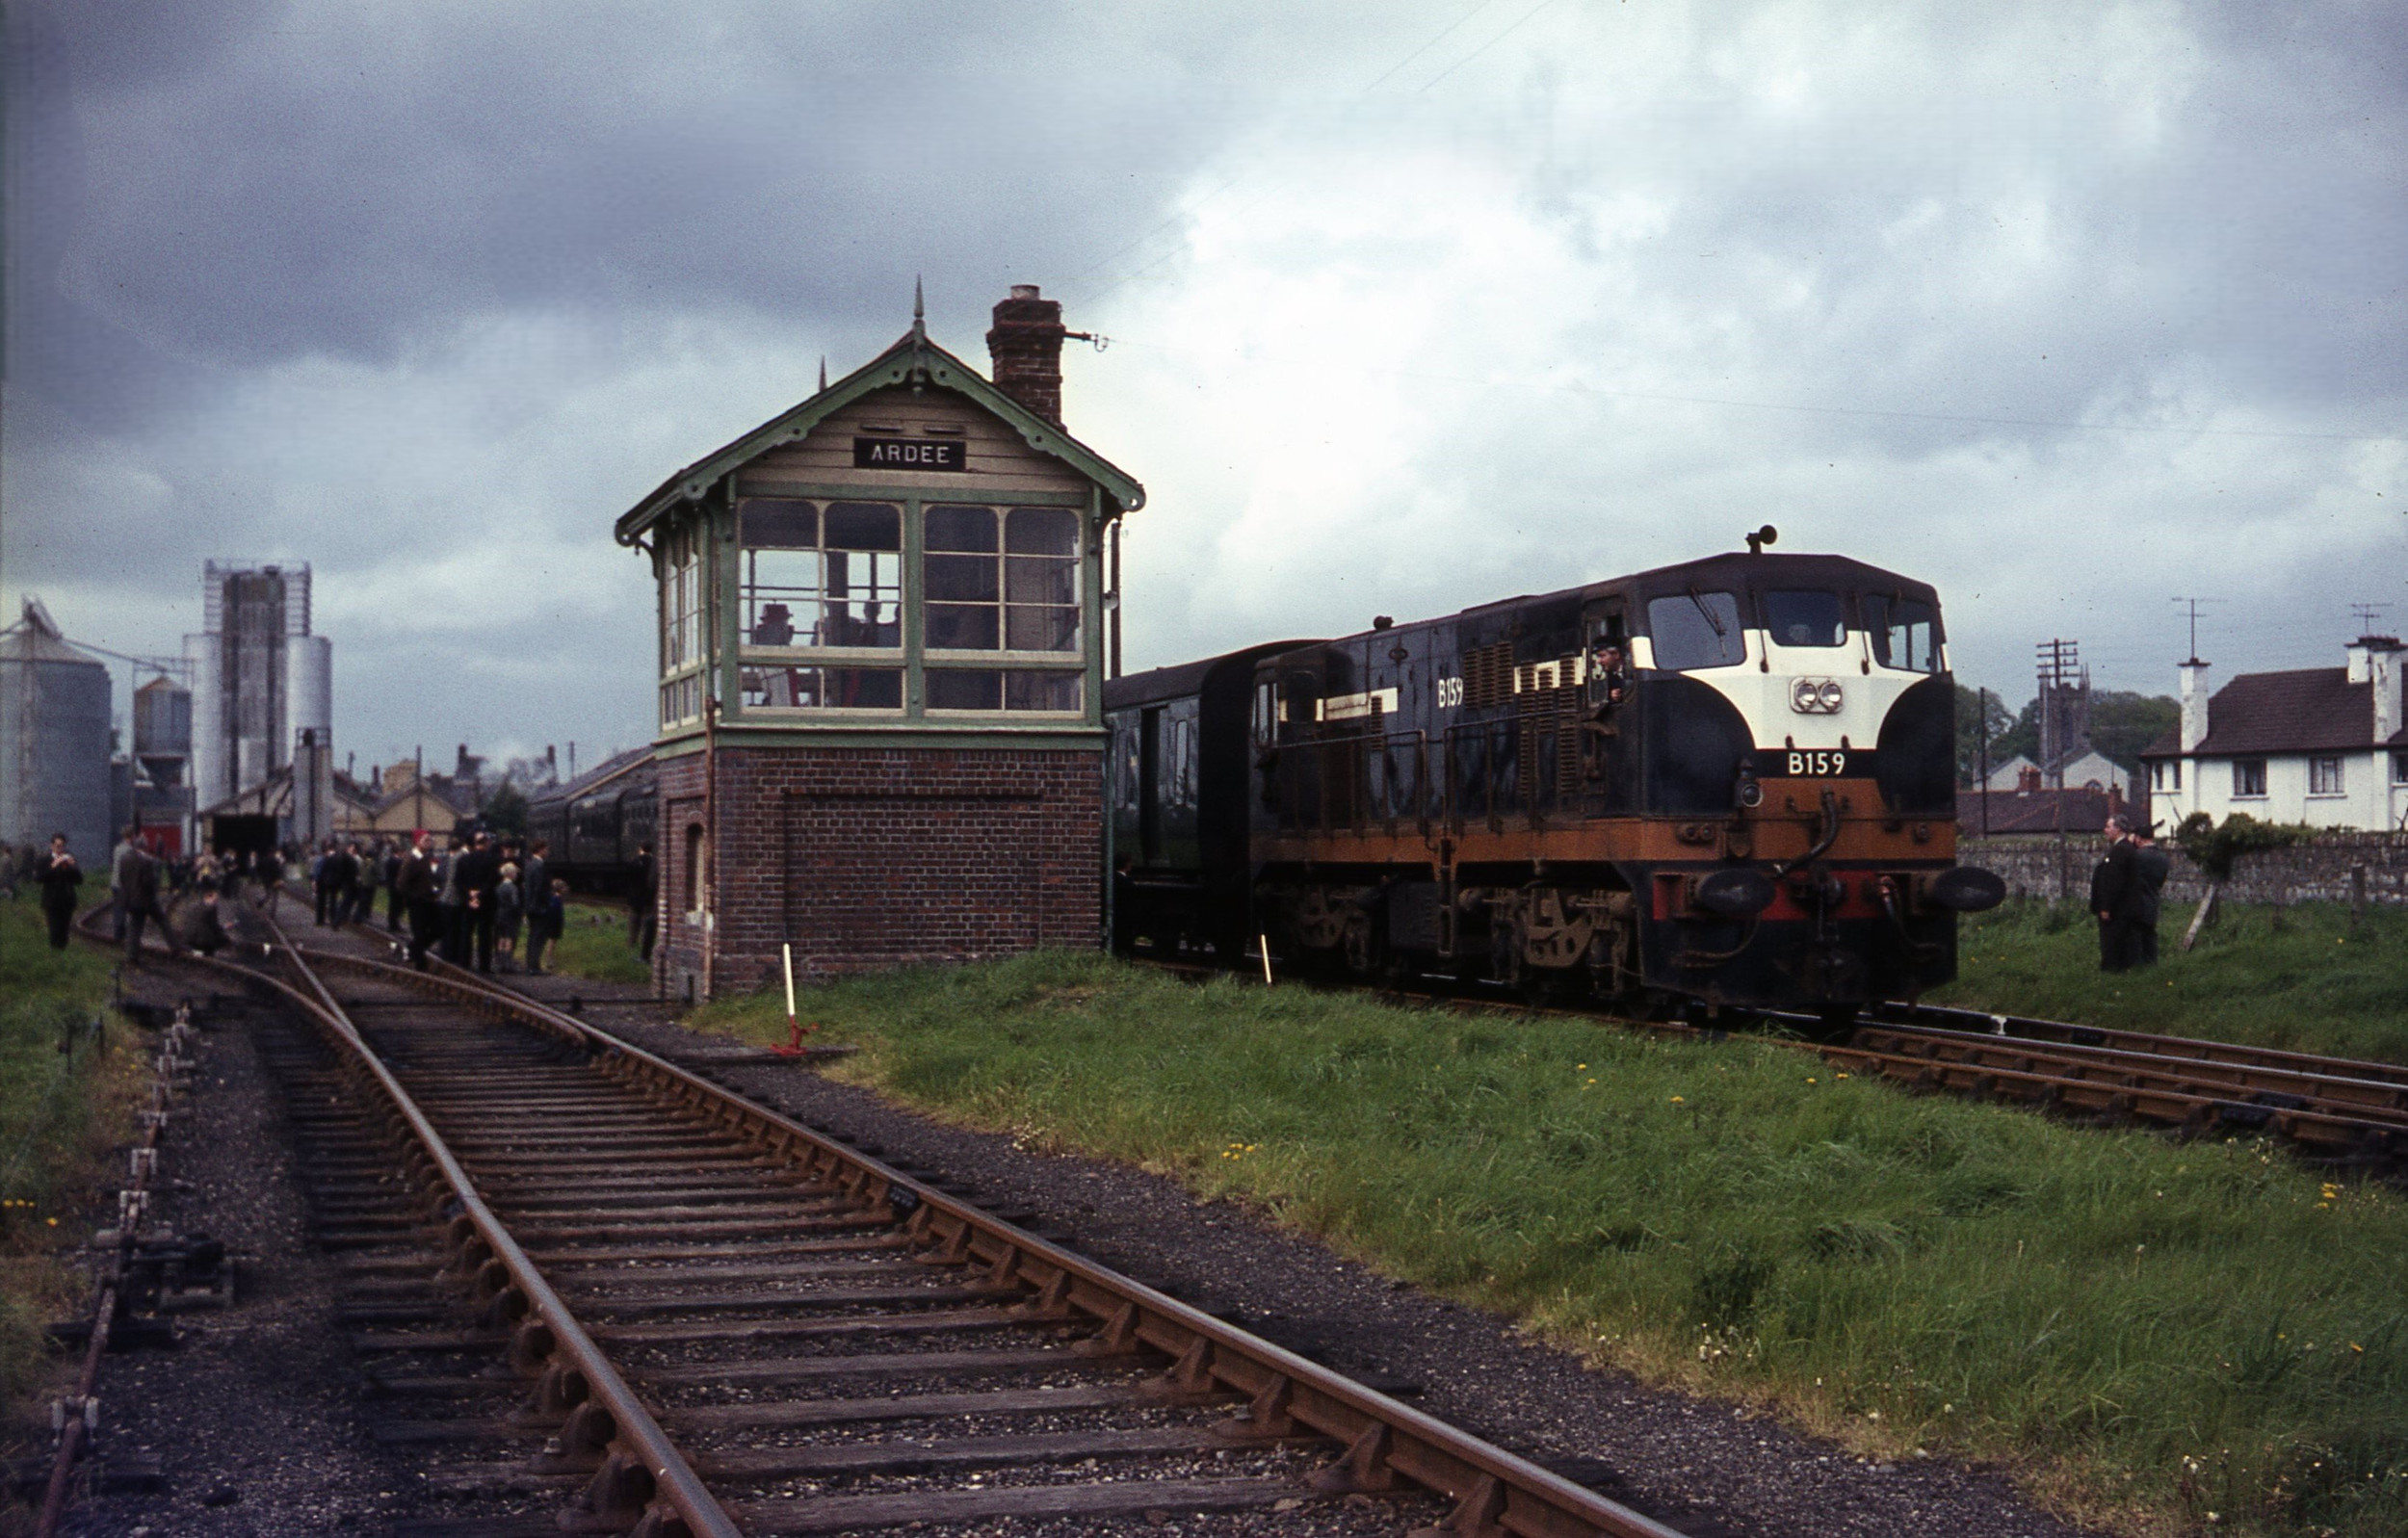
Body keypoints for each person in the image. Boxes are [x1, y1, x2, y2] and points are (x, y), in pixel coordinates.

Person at [118, 837, 184, 968]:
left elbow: (122, 878)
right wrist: (153, 892)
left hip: (130, 899)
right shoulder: (146, 861)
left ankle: (131, 957)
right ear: (144, 846)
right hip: (146, 900)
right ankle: (175, 947)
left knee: (134, 927)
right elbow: (148, 882)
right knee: (162, 920)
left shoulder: (124, 859)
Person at [2088, 816, 2136, 974]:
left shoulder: (2120, 851)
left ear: (2118, 829)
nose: (2105, 830)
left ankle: (2113, 972)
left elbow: (2113, 883)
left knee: (2112, 942)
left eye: (2108, 827)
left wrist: (2106, 907)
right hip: (2122, 907)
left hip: (2117, 909)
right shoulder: (2122, 848)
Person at [2124, 821, 2171, 967]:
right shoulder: (2163, 857)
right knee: (2150, 935)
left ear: (2138, 838)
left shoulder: (2136, 856)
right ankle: (2152, 965)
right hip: (2153, 898)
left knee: (2135, 937)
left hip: (2136, 902)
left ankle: (2137, 967)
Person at [457, 831, 502, 974]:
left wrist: (469, 894)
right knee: (485, 934)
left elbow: (458, 881)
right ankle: (484, 965)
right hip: (486, 902)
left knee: (466, 933)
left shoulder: (463, 860)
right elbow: (493, 881)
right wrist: (480, 894)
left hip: (467, 901)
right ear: (486, 843)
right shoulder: (493, 860)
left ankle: (464, 962)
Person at [396, 833, 441, 969]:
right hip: (417, 903)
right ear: (417, 842)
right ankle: (420, 965)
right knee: (420, 933)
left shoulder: (426, 858)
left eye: (430, 839)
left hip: (429, 901)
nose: (429, 842)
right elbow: (401, 884)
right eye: (425, 840)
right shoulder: (411, 860)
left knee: (438, 929)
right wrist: (413, 897)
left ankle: (411, 949)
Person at [37, 833, 83, 951]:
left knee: (64, 930)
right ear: (52, 846)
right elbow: (39, 878)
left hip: (67, 900)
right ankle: (54, 954)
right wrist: (53, 866)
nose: (60, 849)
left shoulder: (69, 859)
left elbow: (79, 880)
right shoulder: (45, 859)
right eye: (57, 846)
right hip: (51, 901)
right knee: (54, 929)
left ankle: (62, 953)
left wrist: (73, 867)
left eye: (62, 846)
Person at [628, 842, 657, 963]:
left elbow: (629, 877)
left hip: (635, 896)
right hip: (648, 897)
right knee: (646, 919)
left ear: (640, 849)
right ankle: (643, 940)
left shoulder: (635, 861)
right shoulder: (655, 862)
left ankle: (632, 940)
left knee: (634, 919)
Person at [184, 885, 233, 957]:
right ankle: (209, 955)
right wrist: (225, 929)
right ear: (208, 897)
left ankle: (199, 955)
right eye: (215, 900)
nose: (216, 902)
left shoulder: (193, 906)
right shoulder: (211, 908)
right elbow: (214, 927)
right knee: (223, 939)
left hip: (189, 938)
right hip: (202, 941)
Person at [494, 860, 524, 972]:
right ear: (511, 874)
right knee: (509, 939)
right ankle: (508, 963)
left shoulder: (499, 887)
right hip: (510, 916)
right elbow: (515, 903)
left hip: (499, 914)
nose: (516, 875)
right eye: (515, 873)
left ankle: (500, 963)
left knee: (501, 938)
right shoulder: (513, 888)